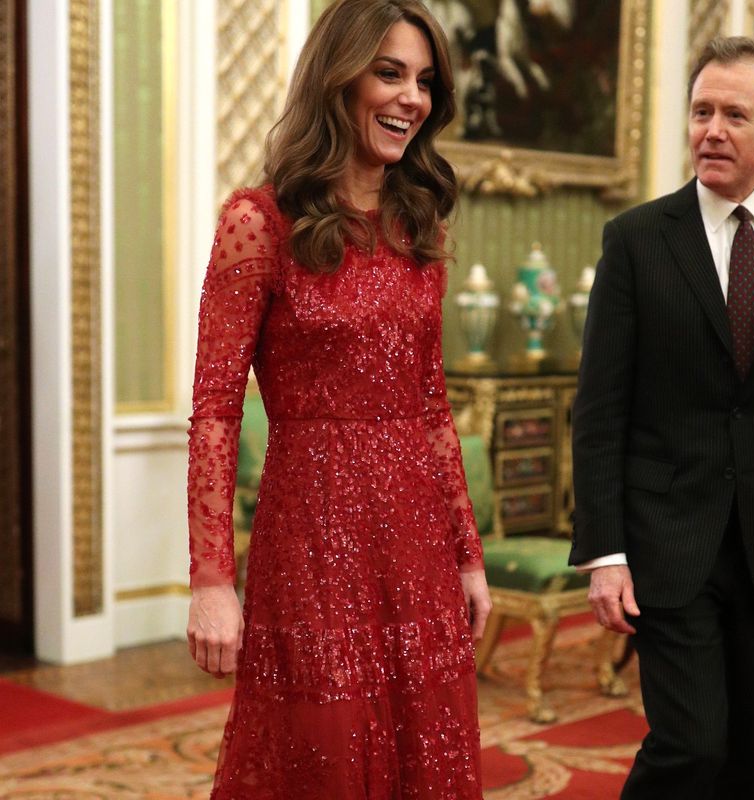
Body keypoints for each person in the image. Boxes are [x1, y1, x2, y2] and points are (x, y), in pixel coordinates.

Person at [185, 1, 491, 798]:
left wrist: (467, 552)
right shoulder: (259, 222)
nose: (411, 98)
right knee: (321, 749)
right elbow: (216, 411)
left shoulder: (416, 222)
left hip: (416, 537)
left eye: (424, 81)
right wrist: (212, 579)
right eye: (389, 72)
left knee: (426, 745)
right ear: (337, 78)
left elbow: (430, 405)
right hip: (312, 532)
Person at [570, 36, 754, 800]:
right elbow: (599, 410)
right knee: (692, 744)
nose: (712, 129)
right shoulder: (636, 240)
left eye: (736, 114)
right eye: (702, 111)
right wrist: (604, 551)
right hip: (670, 542)